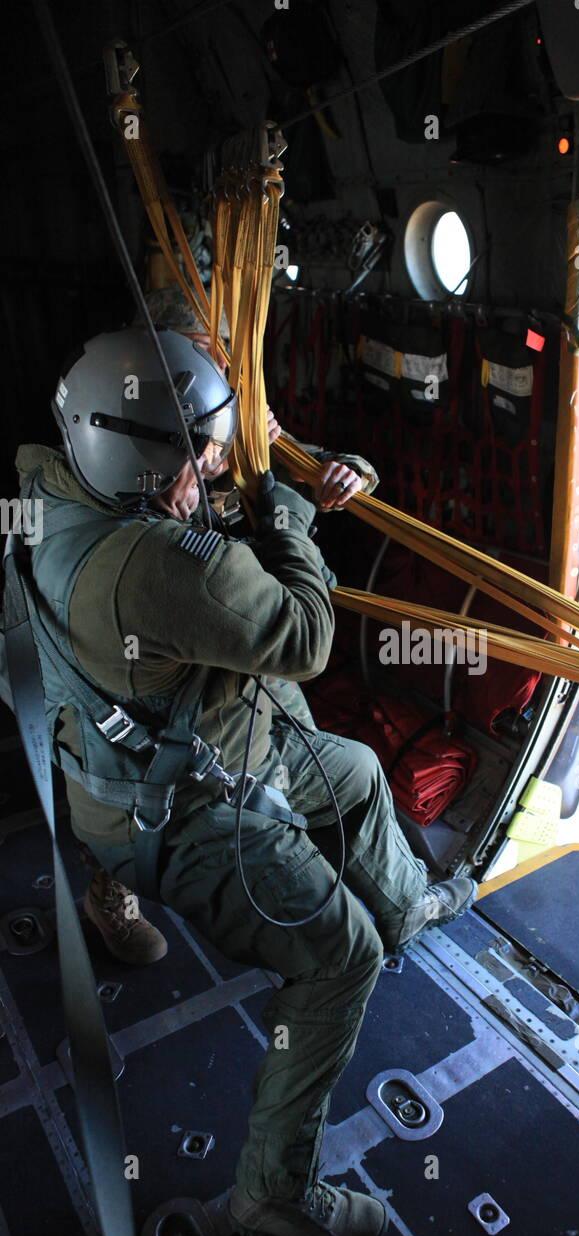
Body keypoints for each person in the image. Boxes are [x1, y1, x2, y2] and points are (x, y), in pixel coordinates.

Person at [17, 324, 477, 1236]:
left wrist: (305, 482)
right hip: (180, 807)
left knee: (350, 773)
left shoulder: (56, 487)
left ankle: (403, 909)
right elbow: (305, 634)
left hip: (141, 765)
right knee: (337, 960)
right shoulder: (156, 568)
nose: (221, 465)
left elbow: (201, 516)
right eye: (203, 452)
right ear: (144, 461)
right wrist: (297, 517)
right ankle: (276, 1195)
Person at [81, 287, 359, 966]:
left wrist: (348, 475)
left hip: (243, 618)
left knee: (291, 741)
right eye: (199, 355)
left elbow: (310, 463)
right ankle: (113, 881)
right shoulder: (132, 422)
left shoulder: (242, 422)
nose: (215, 369)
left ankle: (281, 851)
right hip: (169, 610)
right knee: (137, 747)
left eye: (219, 356)